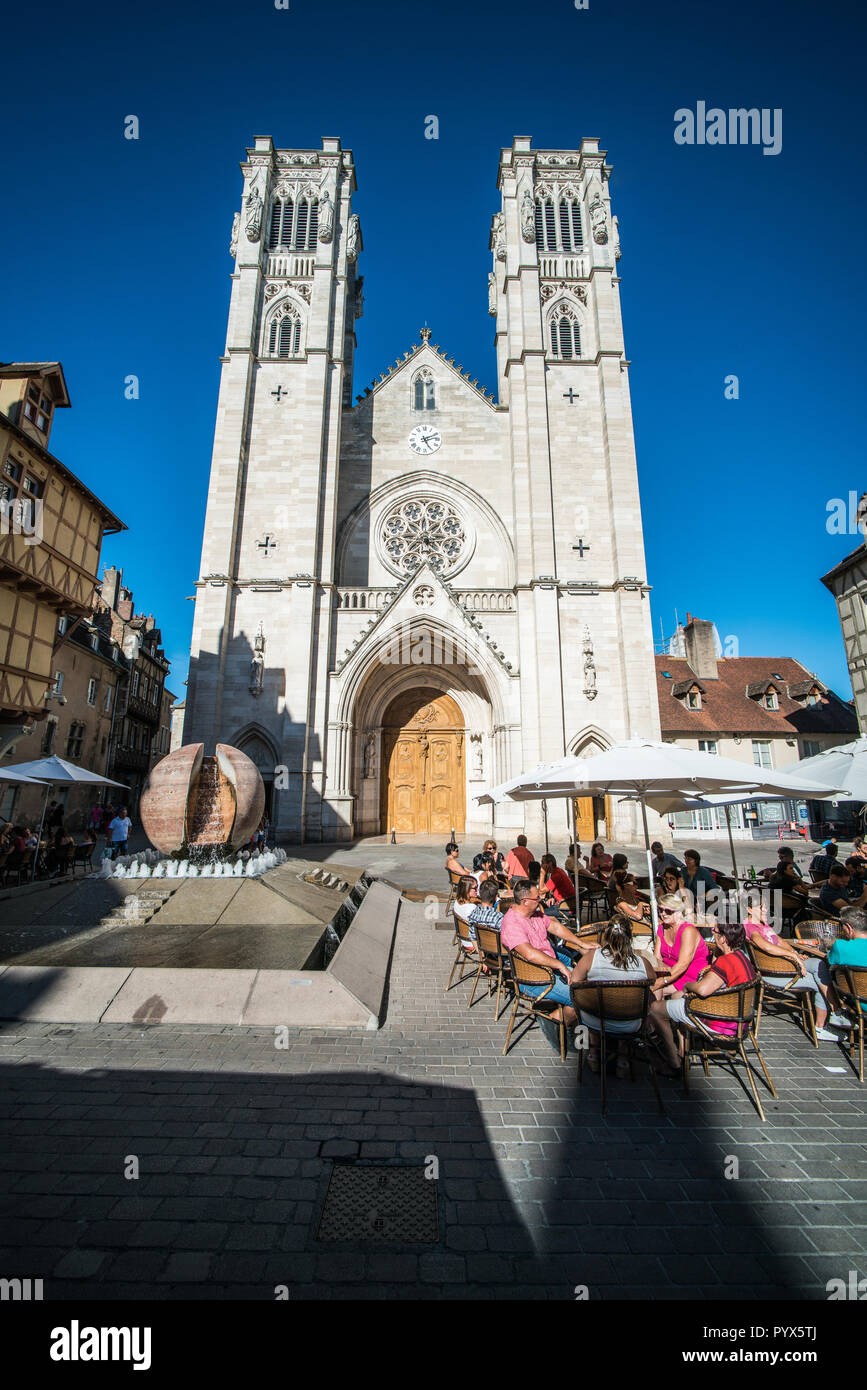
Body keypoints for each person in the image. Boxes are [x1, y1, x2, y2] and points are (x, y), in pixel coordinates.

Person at [649, 921, 758, 1069]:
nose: (712, 933)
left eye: (715, 931)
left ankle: (673, 1061)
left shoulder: (726, 961)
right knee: (677, 996)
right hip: (740, 1020)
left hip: (720, 1022)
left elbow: (702, 989)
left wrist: (687, 985)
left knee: (655, 1008)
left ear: (723, 938)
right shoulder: (742, 957)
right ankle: (683, 1050)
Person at [741, 893, 849, 1040]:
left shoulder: (761, 923)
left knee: (819, 970)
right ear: (749, 909)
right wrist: (793, 956)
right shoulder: (751, 927)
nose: (765, 910)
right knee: (820, 977)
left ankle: (832, 1016)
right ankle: (826, 1022)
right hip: (773, 971)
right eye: (761, 908)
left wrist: (795, 953)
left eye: (766, 907)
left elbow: (779, 940)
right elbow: (766, 946)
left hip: (784, 966)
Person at [499, 880, 594, 1031]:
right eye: (537, 898)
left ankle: (568, 1018)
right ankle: (554, 1023)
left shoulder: (533, 914)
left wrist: (581, 943)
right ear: (525, 901)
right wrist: (560, 965)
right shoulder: (512, 923)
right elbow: (530, 954)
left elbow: (554, 926)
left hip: (548, 969)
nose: (540, 900)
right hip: (534, 978)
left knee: (589, 985)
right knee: (583, 998)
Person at [569, 915, 656, 1076]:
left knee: (588, 1002)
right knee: (633, 1001)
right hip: (631, 1024)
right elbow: (653, 981)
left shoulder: (591, 958)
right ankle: (623, 1058)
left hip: (597, 1021)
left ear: (606, 936)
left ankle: (593, 1054)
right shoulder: (642, 963)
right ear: (630, 938)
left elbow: (574, 982)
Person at [828, 908, 867, 1020]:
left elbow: (829, 962)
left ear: (849, 928)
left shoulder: (840, 946)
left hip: (860, 1002)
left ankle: (835, 1014)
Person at [682, 850, 719, 915]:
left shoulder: (704, 872)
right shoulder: (683, 870)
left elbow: (715, 888)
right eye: (685, 858)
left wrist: (703, 896)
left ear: (696, 861)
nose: (686, 861)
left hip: (702, 900)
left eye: (689, 859)